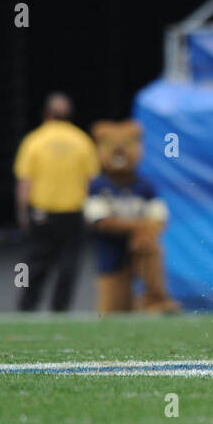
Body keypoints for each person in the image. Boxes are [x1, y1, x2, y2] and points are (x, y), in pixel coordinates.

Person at [84, 119, 179, 314]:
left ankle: (156, 298)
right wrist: (138, 227)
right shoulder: (98, 186)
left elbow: (159, 218)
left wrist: (143, 232)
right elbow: (99, 222)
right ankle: (137, 303)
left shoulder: (144, 186)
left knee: (149, 244)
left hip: (139, 247)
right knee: (113, 308)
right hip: (110, 250)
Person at [13, 92, 97, 312]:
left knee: (35, 264)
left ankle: (27, 307)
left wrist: (23, 214)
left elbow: (25, 183)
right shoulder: (82, 141)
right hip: (73, 213)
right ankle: (61, 309)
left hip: (42, 214)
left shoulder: (34, 140)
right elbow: (91, 182)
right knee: (69, 266)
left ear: (46, 114)